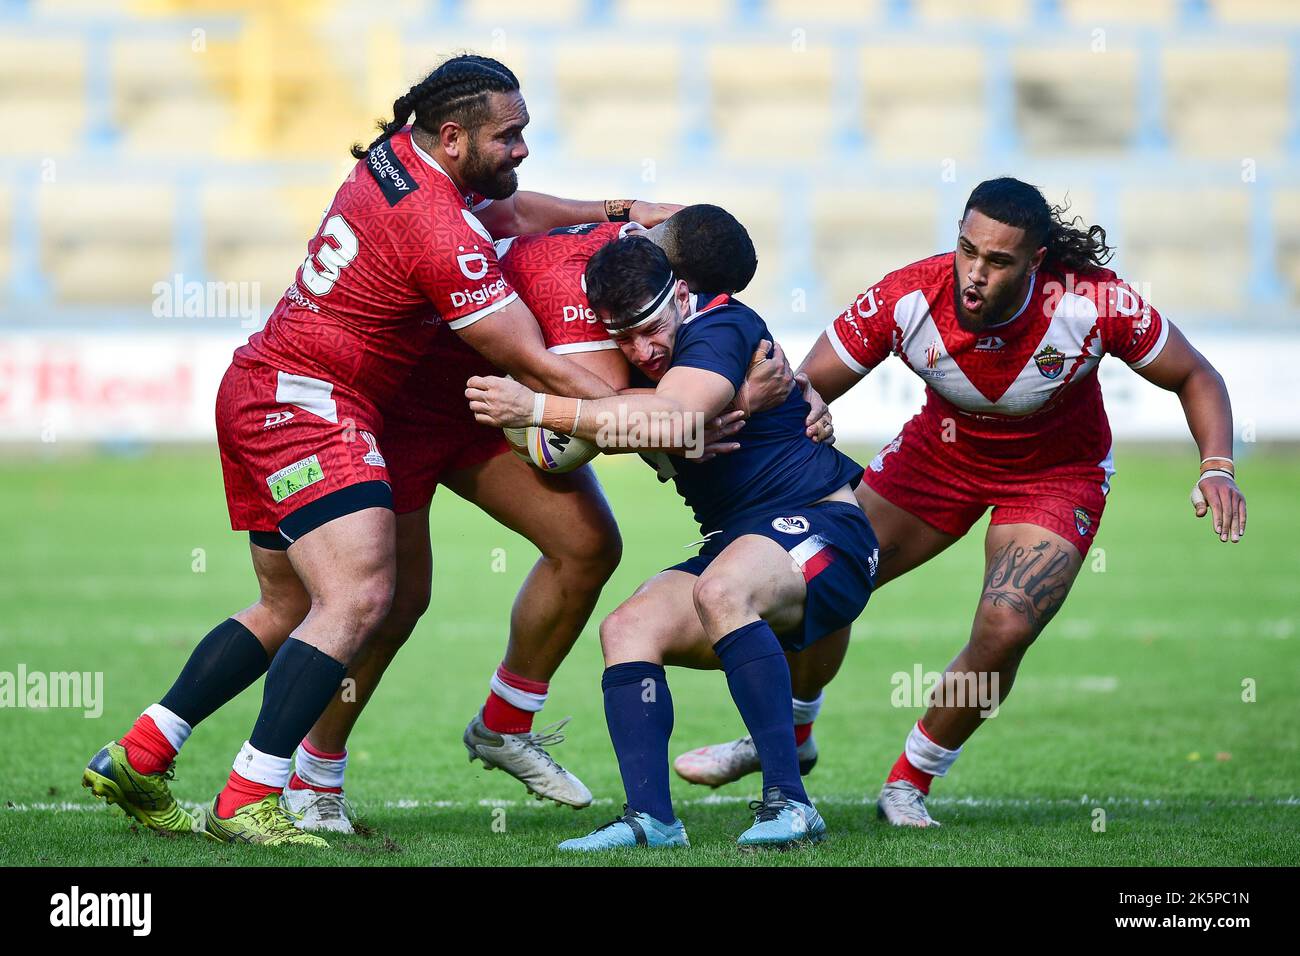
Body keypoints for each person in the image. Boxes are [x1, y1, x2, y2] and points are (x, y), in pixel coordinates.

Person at [81, 54, 674, 847]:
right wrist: (664, 418)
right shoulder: (436, 229)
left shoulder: (402, 151)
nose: (524, 147)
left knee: (289, 605)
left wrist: (620, 205)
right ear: (454, 136)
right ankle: (254, 795)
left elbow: (510, 211)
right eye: (511, 135)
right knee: (361, 597)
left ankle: (141, 752)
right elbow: (533, 361)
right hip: (308, 405)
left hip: (275, 387)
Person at [672, 177, 1247, 828]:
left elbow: (1195, 374)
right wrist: (757, 414)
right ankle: (792, 736)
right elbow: (804, 388)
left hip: (1057, 475)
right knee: (821, 572)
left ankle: (910, 779)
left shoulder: (1092, 303)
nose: (975, 273)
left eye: (998, 261)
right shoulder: (907, 296)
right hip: (936, 458)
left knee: (1005, 628)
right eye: (966, 250)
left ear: (1035, 262)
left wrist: (1217, 467)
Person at [286, 205, 832, 832]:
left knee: (588, 545)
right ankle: (313, 773)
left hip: (487, 413)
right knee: (392, 601)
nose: (694, 316)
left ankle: (504, 723)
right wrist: (698, 420)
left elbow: (513, 210)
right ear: (674, 276)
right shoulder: (590, 296)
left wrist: (796, 396)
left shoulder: (642, 259)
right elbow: (560, 439)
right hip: (417, 411)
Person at [467, 232, 877, 851]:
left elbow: (672, 417)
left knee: (722, 590)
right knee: (627, 630)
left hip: (824, 528)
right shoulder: (647, 362)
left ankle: (792, 805)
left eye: (651, 327)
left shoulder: (722, 326)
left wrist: (538, 406)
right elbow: (652, 419)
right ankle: (651, 820)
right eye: (624, 336)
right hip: (740, 541)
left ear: (682, 294)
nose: (643, 348)